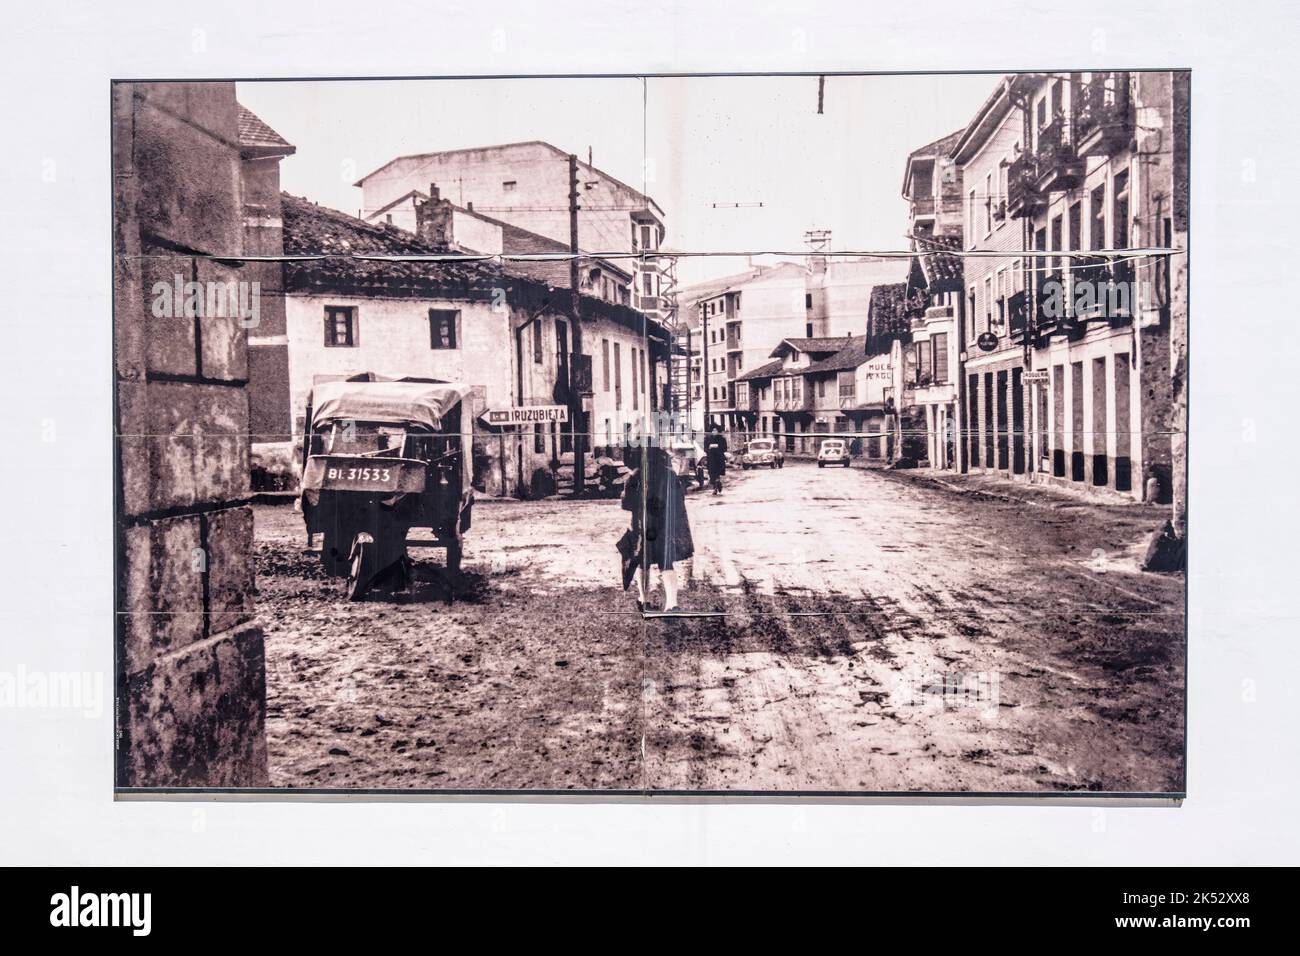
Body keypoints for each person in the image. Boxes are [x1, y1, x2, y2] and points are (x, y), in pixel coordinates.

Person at [621, 441, 693, 612]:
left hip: (642, 525)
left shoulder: (635, 476)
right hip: (664, 526)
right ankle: (672, 604)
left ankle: (644, 600)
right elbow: (679, 500)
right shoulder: (670, 475)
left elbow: (626, 504)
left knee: (643, 563)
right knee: (666, 563)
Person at [704, 423, 728, 495]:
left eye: (715, 430)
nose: (714, 432)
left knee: (717, 473)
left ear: (718, 431)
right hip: (711, 458)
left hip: (719, 458)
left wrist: (718, 447)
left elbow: (725, 448)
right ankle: (715, 486)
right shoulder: (707, 439)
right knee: (712, 474)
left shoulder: (722, 439)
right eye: (713, 430)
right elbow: (705, 448)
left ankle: (717, 484)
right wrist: (709, 448)